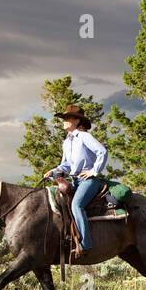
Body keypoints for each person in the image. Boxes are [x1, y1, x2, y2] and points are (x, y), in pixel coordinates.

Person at [43, 104, 108, 257]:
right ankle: (67, 238)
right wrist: (53, 171)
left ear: (77, 121)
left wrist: (93, 171)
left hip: (88, 181)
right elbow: (65, 165)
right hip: (75, 181)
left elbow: (102, 151)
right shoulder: (67, 142)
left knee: (77, 205)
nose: (64, 121)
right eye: (63, 118)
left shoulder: (84, 136)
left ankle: (86, 244)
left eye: (67, 118)